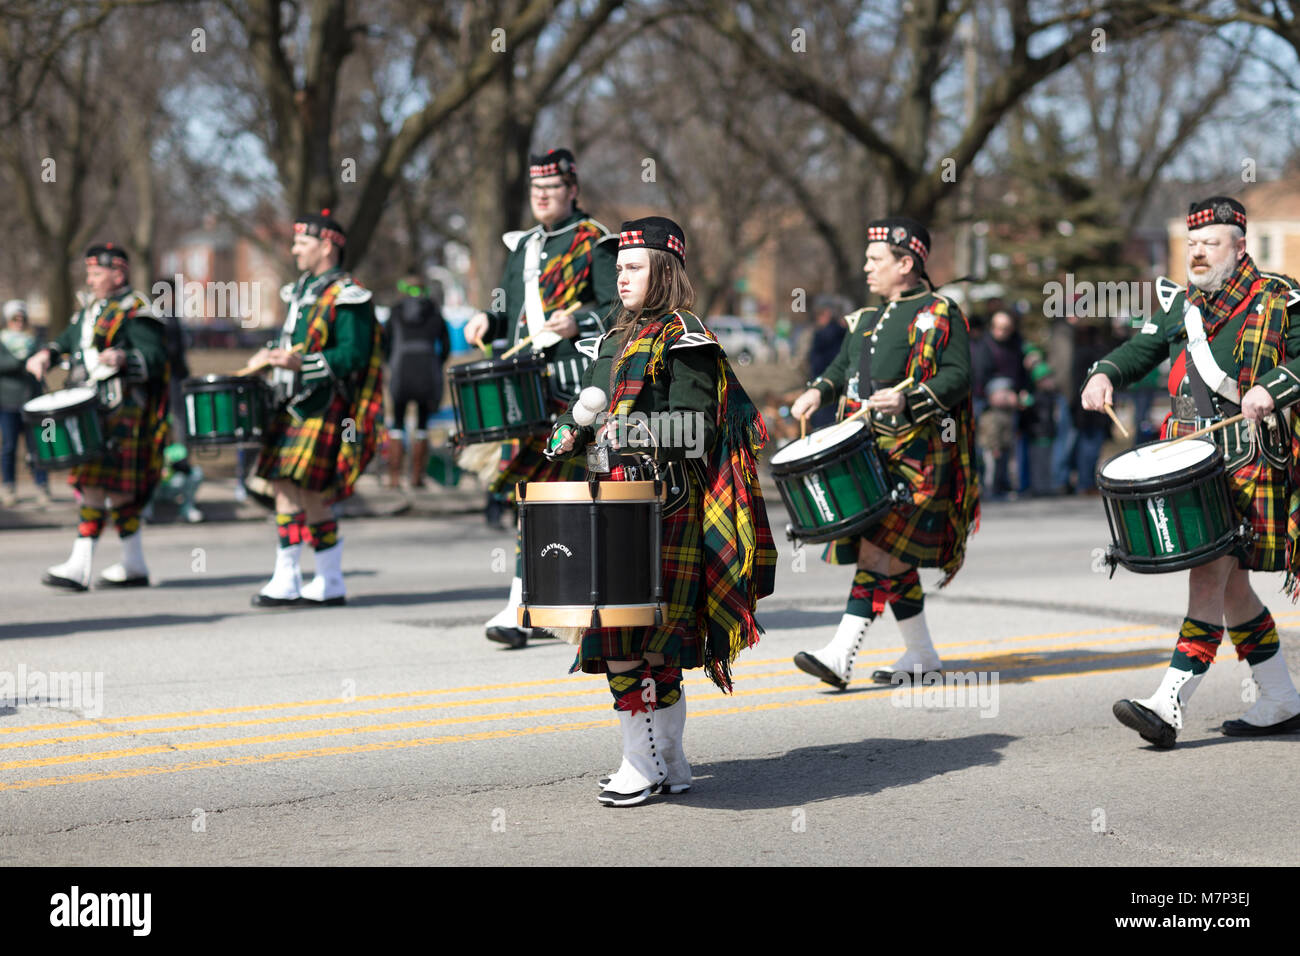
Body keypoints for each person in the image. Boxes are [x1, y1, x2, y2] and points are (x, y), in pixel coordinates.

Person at [547, 216, 776, 805]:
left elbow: (698, 427)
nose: (620, 278)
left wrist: (626, 427)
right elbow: (589, 409)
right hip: (611, 498)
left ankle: (640, 763)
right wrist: (569, 432)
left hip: (663, 503)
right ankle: (667, 760)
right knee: (627, 636)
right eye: (618, 267)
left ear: (664, 270)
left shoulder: (686, 338)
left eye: (633, 267)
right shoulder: (610, 337)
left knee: (643, 639)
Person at [1081, 196, 1300, 746]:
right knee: (1232, 590)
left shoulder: (1278, 298)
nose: (1198, 253)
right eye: (1194, 243)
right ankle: (1279, 697)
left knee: (1208, 575)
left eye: (1211, 243)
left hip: (1250, 457)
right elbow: (1143, 348)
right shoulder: (1182, 304)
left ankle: (1168, 705)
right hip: (1193, 460)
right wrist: (1106, 373)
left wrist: (1270, 389)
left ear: (1240, 246)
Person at [788, 217, 979, 689]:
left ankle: (839, 654)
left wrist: (909, 398)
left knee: (878, 550)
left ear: (906, 263)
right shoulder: (867, 318)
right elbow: (841, 370)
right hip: (868, 453)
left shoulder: (940, 312)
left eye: (876, 260)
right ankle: (921, 654)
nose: (866, 267)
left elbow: (958, 377)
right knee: (894, 558)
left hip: (918, 455)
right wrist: (817, 391)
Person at [463, 147, 617, 648]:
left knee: (561, 493)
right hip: (526, 387)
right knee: (531, 495)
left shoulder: (593, 241)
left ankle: (525, 604)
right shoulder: (523, 246)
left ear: (572, 189)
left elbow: (616, 309)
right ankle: (539, 601)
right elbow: (507, 305)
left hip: (575, 385)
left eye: (552, 188)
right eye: (536, 190)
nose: (543, 196)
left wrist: (579, 321)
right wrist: (489, 319)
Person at [247, 209, 383, 608]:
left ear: (326, 246)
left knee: (309, 490)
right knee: (286, 485)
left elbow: (354, 354)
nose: (294, 250)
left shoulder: (349, 293)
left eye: (301, 243)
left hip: (325, 404)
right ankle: (299, 577)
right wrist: (273, 357)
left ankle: (322, 578)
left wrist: (300, 364)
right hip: (291, 401)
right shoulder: (301, 291)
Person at [25, 244, 169, 588]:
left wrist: (124, 359)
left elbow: (156, 357)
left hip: (121, 407)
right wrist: (46, 353)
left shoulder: (136, 310)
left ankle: (79, 565)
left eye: (96, 273)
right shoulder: (90, 310)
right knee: (117, 492)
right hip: (93, 407)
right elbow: (67, 340)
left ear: (118, 274)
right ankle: (134, 564)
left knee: (93, 482)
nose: (89, 280)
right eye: (88, 273)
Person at [384, 272, 450, 488]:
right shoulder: (434, 312)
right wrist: (436, 362)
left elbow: (384, 342)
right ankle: (416, 477)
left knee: (397, 423)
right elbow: (446, 345)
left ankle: (394, 477)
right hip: (426, 373)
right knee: (422, 425)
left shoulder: (395, 311)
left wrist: (390, 364)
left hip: (401, 373)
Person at [1, 300, 51, 506]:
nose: (19, 322)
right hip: (7, 402)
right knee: (9, 447)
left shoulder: (34, 341)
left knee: (38, 447)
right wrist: (26, 361)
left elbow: (46, 361)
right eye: (14, 318)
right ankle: (9, 487)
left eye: (22, 317)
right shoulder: (2, 342)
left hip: (33, 402)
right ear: (7, 320)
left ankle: (42, 487)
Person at [806, 300, 847, 429]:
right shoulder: (845, 333)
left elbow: (815, 363)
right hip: (840, 390)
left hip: (823, 385)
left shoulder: (821, 336)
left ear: (827, 314)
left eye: (819, 315)